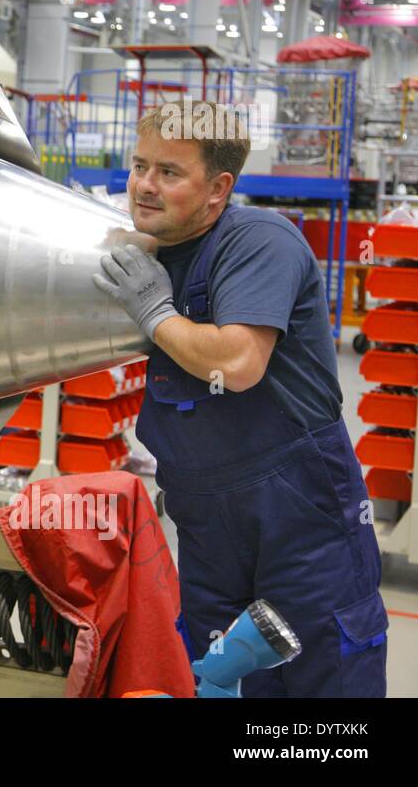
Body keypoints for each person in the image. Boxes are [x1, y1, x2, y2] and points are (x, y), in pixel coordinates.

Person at [92, 98, 387, 697]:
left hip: (299, 513)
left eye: (169, 173)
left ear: (218, 188)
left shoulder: (258, 241)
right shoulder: (150, 250)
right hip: (206, 519)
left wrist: (154, 313)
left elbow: (237, 363)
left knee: (322, 672)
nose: (145, 186)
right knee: (217, 674)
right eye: (139, 165)